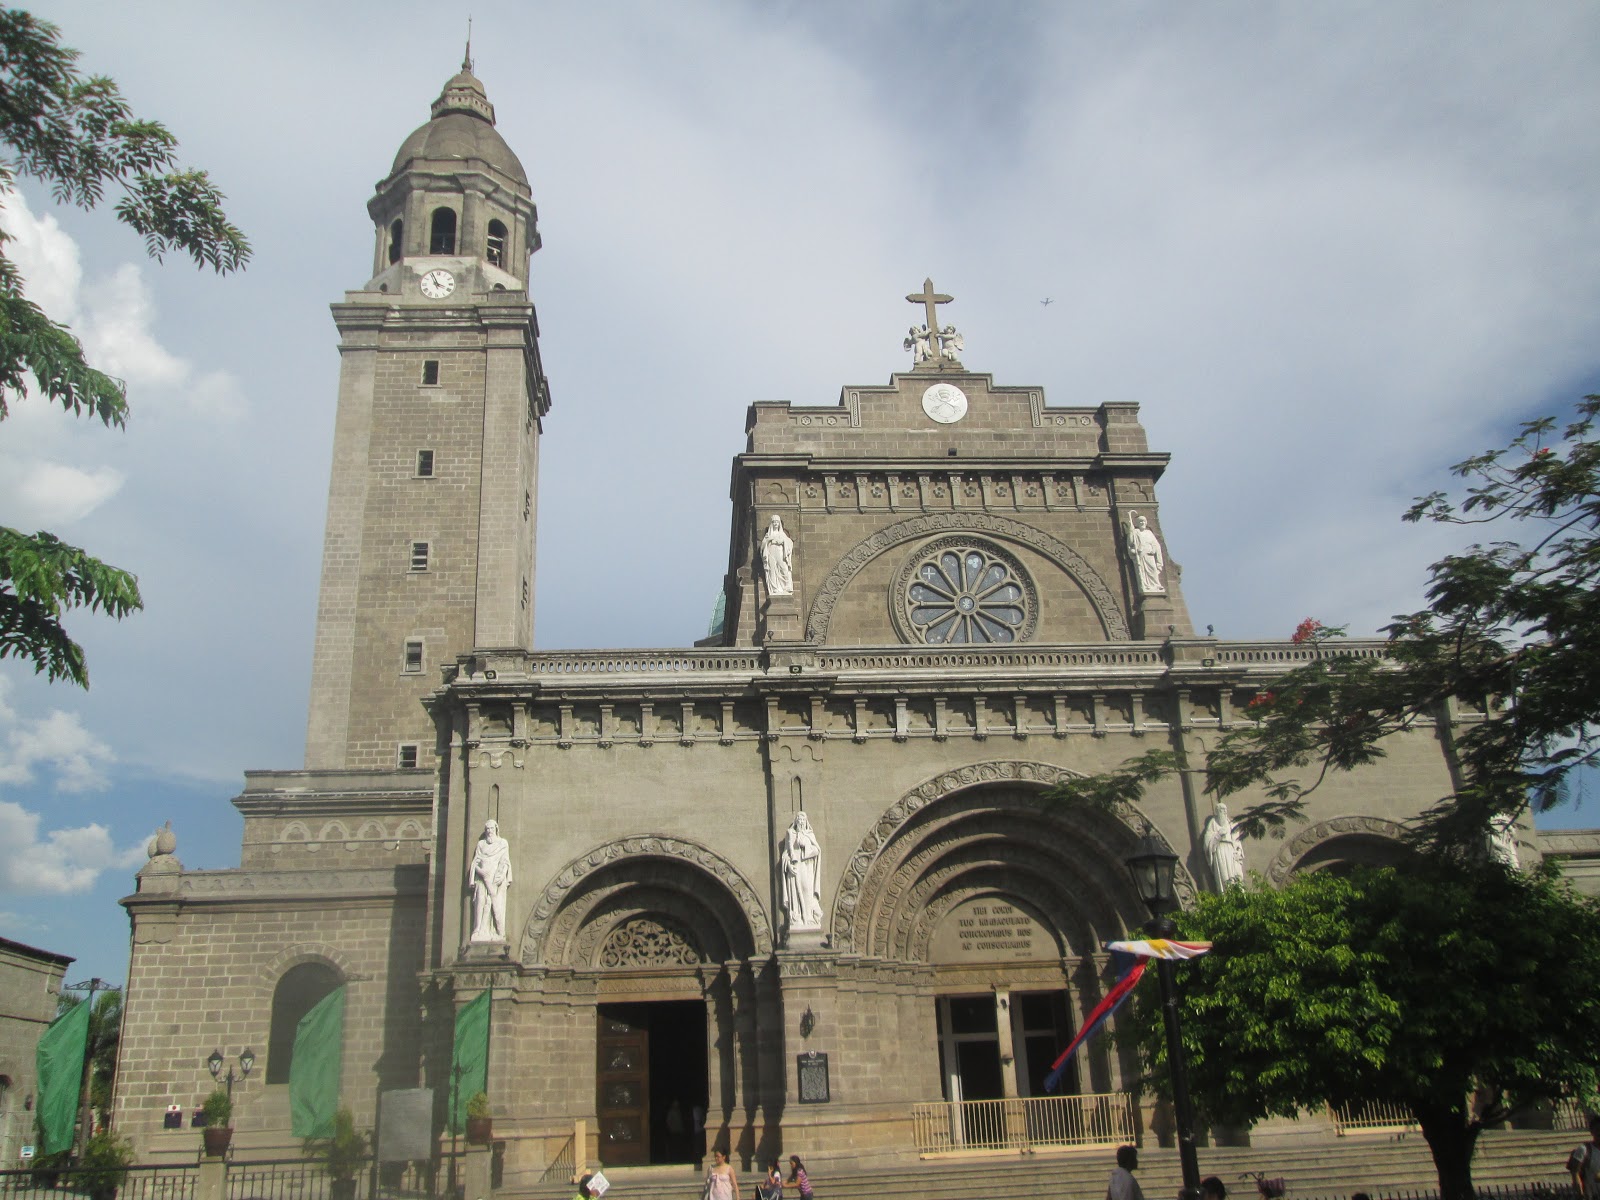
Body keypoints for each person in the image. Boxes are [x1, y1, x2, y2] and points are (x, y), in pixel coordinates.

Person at [469, 819, 512, 942]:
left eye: (491, 828)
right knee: (481, 902)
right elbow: (475, 862)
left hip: (495, 880)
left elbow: (505, 861)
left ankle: (498, 931)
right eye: (487, 829)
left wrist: (500, 876)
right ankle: (479, 930)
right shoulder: (481, 845)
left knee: (495, 904)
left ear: (496, 829)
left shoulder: (502, 843)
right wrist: (481, 872)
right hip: (482, 879)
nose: (489, 831)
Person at [780, 812, 823, 930]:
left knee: (807, 889)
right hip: (795, 866)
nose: (801, 820)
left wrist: (805, 847)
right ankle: (797, 916)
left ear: (806, 821)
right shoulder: (791, 833)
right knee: (795, 891)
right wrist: (788, 865)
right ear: (796, 821)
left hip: (807, 866)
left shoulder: (809, 834)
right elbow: (786, 854)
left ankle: (808, 916)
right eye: (799, 818)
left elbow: (817, 850)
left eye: (803, 818)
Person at [1202, 802, 1247, 889]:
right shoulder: (1212, 824)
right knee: (1224, 876)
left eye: (1225, 810)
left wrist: (1238, 851)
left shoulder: (1231, 823)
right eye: (1222, 810)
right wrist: (1218, 835)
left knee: (1236, 874)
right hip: (1220, 851)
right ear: (1217, 812)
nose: (1225, 812)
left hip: (1231, 851)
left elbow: (1237, 840)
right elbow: (1207, 843)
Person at [1126, 512, 1165, 594]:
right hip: (1141, 554)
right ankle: (1146, 585)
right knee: (1143, 571)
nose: (1142, 523)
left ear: (1146, 522)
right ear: (1137, 523)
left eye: (1143, 521)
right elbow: (1131, 542)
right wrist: (1131, 530)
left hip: (1149, 554)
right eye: (1140, 522)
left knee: (1153, 569)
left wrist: (1153, 549)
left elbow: (1155, 544)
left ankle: (1155, 585)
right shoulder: (1135, 532)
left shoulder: (1149, 533)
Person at [761, 515, 794, 597]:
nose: (775, 523)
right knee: (772, 569)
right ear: (771, 524)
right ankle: (775, 588)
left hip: (780, 552)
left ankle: (787, 586)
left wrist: (782, 541)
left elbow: (790, 543)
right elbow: (762, 546)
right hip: (771, 552)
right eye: (774, 522)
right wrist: (769, 540)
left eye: (777, 522)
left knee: (783, 567)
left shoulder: (782, 534)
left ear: (779, 524)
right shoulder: (768, 535)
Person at [1568, 1114, 1600, 1199]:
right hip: (1591, 1195)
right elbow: (1575, 1173)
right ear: (1592, 1131)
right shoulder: (1584, 1150)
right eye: (1598, 1130)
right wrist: (1580, 1193)